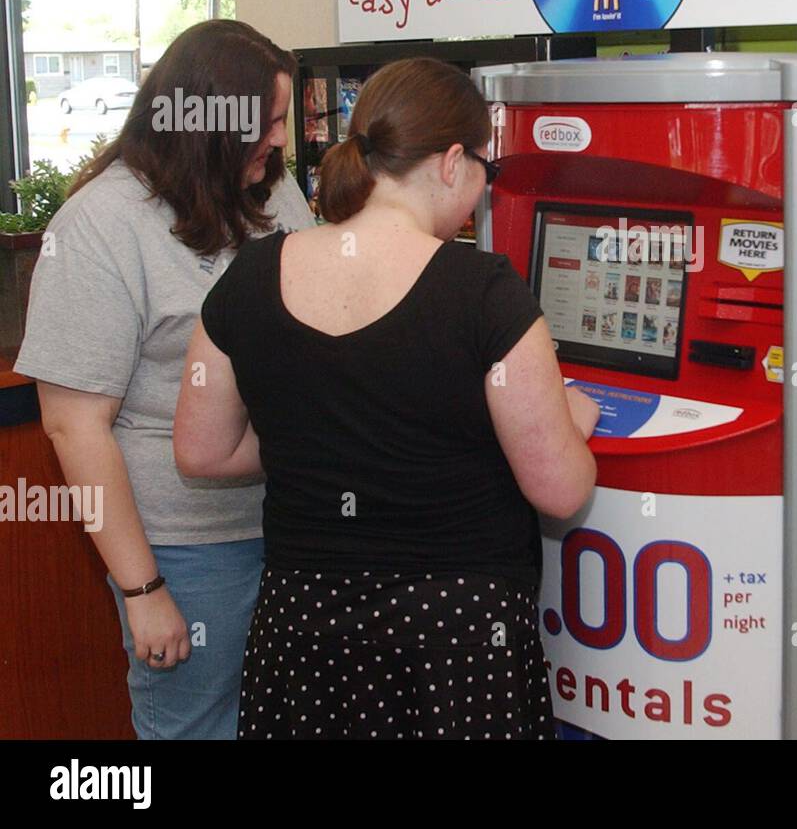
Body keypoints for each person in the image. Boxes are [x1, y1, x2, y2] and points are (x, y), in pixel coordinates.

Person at [173, 57, 600, 740]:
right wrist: (572, 420)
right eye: (485, 175)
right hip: (455, 638)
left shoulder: (251, 273)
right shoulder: (483, 289)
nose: (479, 197)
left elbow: (201, 448)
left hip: (303, 630)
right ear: (453, 160)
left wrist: (319, 442)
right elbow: (558, 488)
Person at [16, 19, 316, 739]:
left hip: (292, 524)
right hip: (186, 550)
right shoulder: (99, 226)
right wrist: (142, 587)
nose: (280, 141)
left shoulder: (273, 199)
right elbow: (73, 424)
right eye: (269, 123)